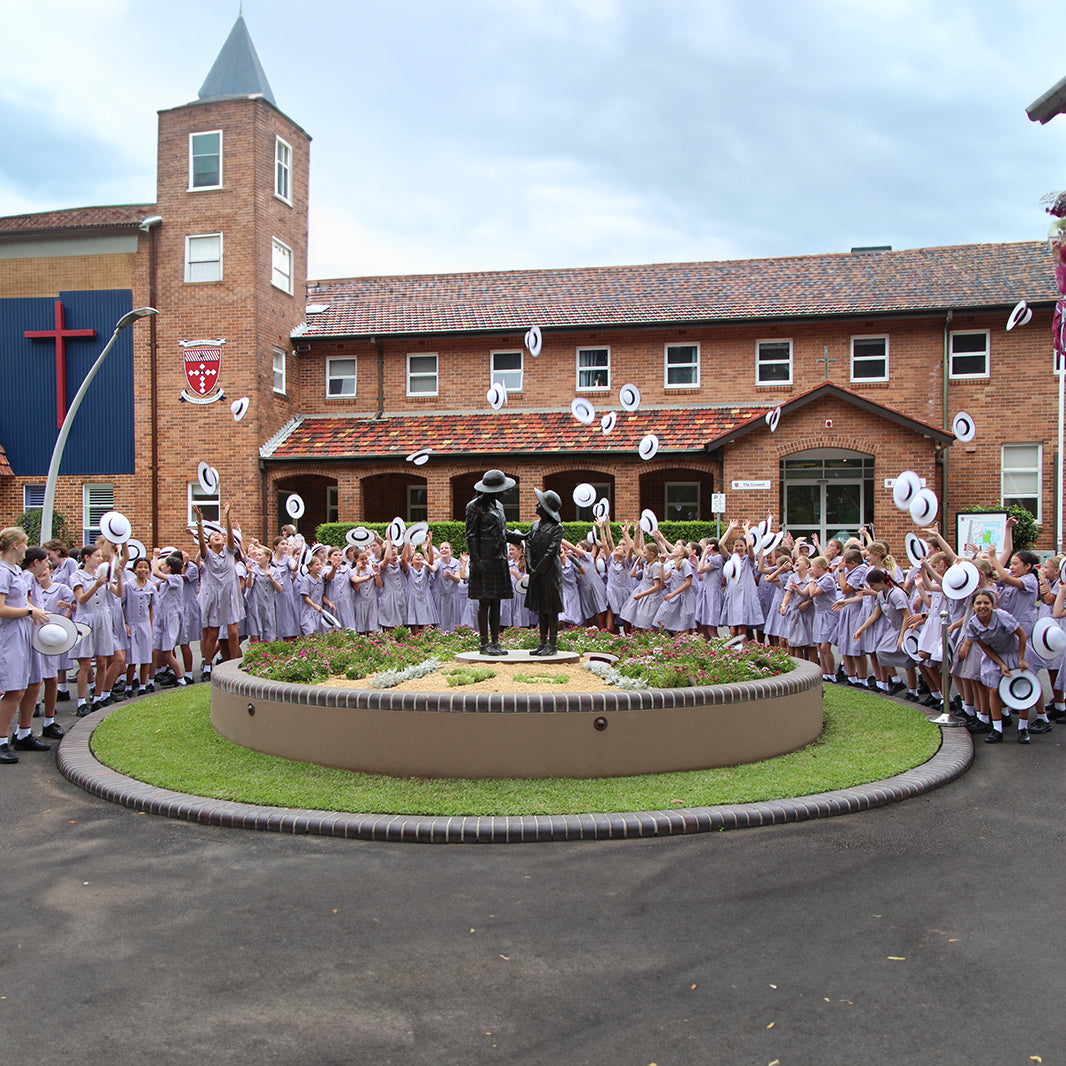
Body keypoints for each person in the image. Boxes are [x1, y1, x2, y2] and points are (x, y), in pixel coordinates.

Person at [0, 527, 52, 762]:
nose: (25, 548)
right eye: (24, 543)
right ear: (15, 545)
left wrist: (34, 610)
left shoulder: (16, 571)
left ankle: (23, 734)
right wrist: (29, 611)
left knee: (31, 683)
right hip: (10, 634)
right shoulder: (3, 572)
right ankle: (1, 740)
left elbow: (23, 601)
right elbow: (2, 609)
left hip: (23, 632)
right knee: (14, 689)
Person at [464, 469, 523, 655]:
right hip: (484, 561)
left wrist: (522, 536)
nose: (504, 493)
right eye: (501, 490)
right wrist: (476, 560)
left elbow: (503, 532)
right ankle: (484, 643)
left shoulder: (499, 506)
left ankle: (496, 642)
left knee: (497, 602)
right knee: (485, 603)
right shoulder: (474, 506)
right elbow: (471, 536)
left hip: (499, 560)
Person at [522, 488, 564, 655]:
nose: (536, 505)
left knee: (551, 609)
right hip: (535, 573)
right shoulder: (534, 525)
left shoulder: (557, 528)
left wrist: (538, 570)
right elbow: (528, 545)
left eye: (540, 503)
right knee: (540, 608)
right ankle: (542, 642)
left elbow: (551, 552)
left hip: (549, 574)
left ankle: (552, 645)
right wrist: (530, 566)